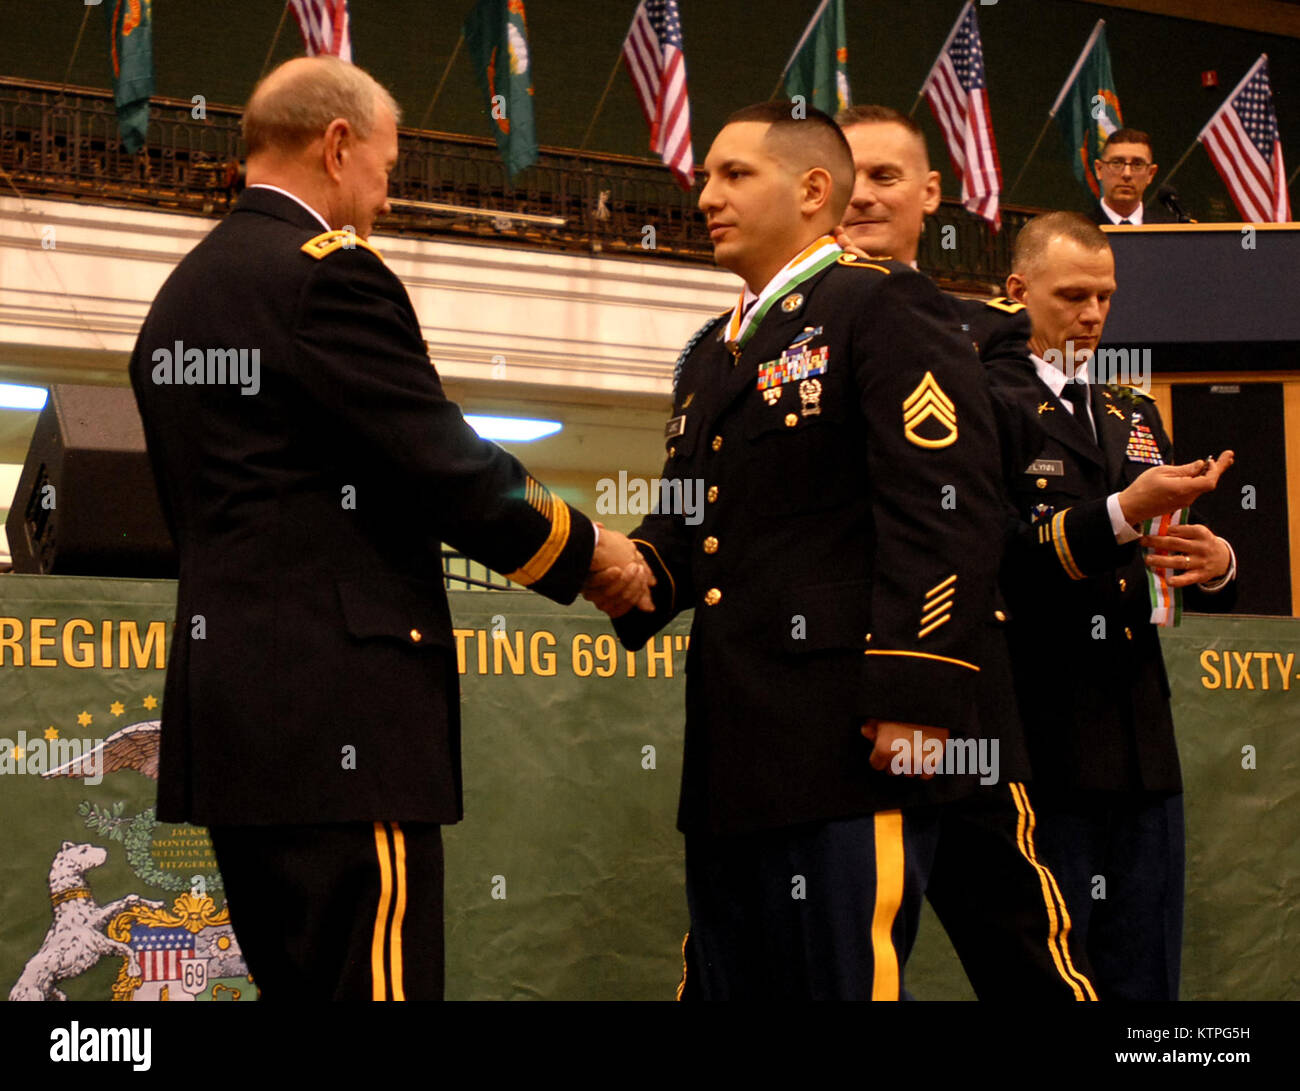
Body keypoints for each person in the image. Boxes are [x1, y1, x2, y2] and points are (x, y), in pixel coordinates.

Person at [127, 56, 651, 1001]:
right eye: (387, 166)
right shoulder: (327, 277)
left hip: (236, 729)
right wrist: (592, 551)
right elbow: (443, 462)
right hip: (344, 723)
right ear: (337, 146)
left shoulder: (180, 299)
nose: (388, 194)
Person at [590, 101, 1009, 1000]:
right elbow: (686, 528)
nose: (707, 196)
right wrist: (606, 562)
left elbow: (944, 507)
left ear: (815, 190)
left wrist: (915, 690)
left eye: (734, 174)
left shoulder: (884, 304)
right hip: (734, 753)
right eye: (705, 176)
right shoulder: (713, 350)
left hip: (849, 746)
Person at [832, 104, 1097, 1000]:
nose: (866, 195)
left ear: (931, 193)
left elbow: (990, 511)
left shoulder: (987, 337)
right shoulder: (768, 336)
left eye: (888, 176)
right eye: (850, 175)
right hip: (833, 702)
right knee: (836, 955)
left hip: (959, 699)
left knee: (1028, 955)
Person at [986, 211, 1237, 1000]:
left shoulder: (1134, 413)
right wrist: (1123, 511)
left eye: (1105, 297)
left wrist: (1218, 560)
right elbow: (1001, 564)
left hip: (1141, 745)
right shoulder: (984, 405)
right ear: (1017, 290)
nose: (1093, 316)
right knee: (1058, 979)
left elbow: (1160, 549)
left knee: (1147, 978)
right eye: (1072, 296)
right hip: (1044, 746)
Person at [1087, 128, 1180, 225]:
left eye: (1137, 164)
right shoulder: (1076, 233)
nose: (1127, 174)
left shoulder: (1170, 232)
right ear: (1099, 169)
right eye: (1116, 163)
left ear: (1151, 174)